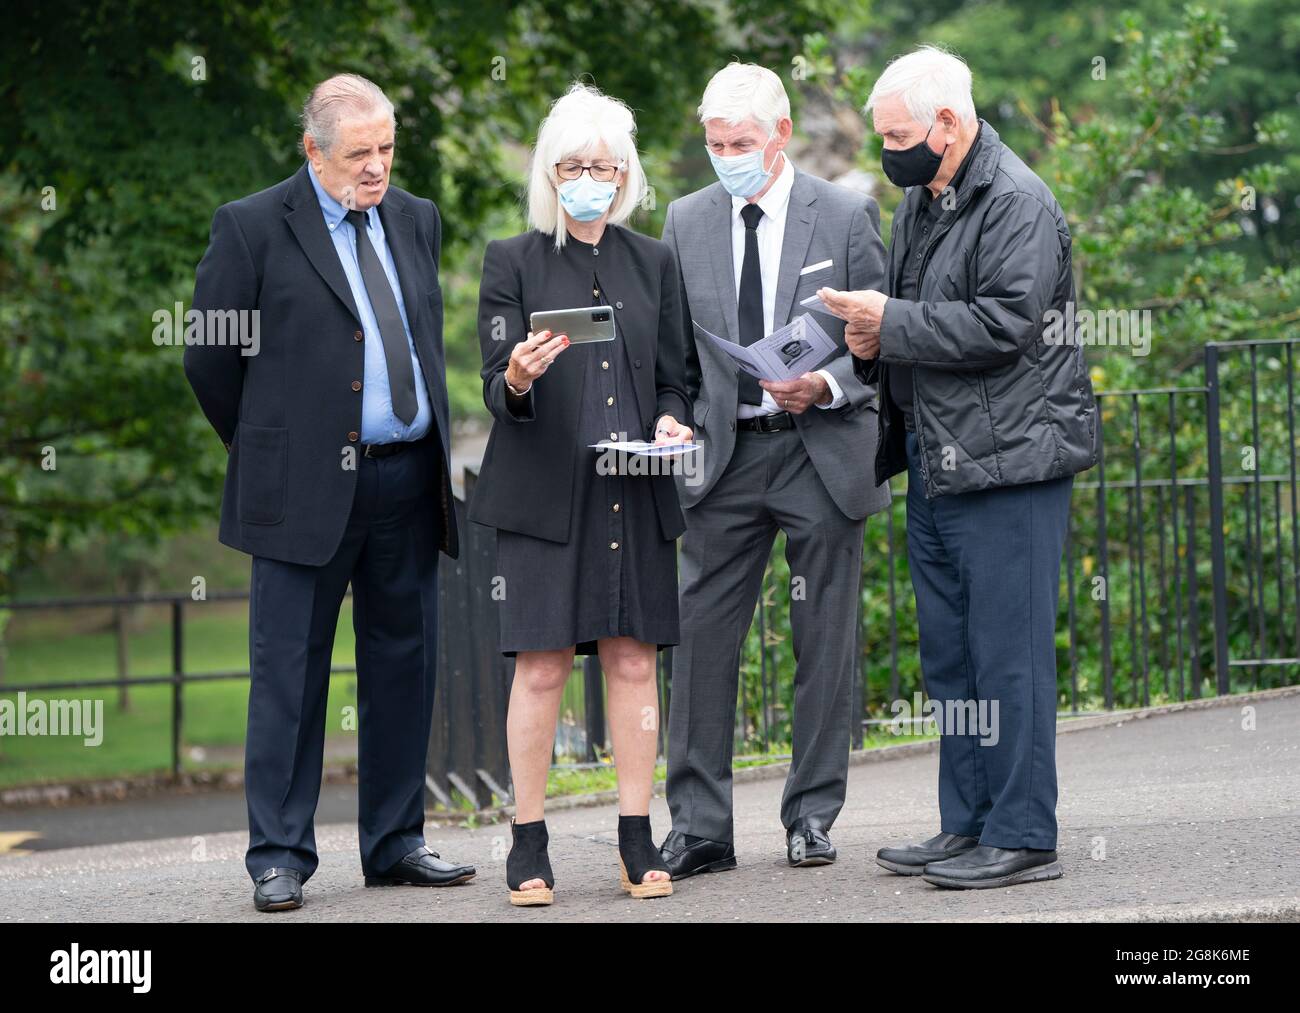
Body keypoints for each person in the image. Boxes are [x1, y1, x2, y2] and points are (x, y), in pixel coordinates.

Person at [184, 73, 475, 912]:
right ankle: (277, 855)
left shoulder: (415, 218)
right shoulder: (249, 227)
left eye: (387, 148)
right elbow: (208, 357)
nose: (377, 167)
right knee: (289, 677)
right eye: (359, 154)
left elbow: (416, 335)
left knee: (402, 667)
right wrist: (266, 448)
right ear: (313, 151)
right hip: (299, 491)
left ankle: (396, 842)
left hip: (407, 480)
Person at [822, 46, 1098, 889]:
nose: (887, 152)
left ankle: (1023, 833)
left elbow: (1005, 324)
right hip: (939, 463)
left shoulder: (1016, 199)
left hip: (1012, 465)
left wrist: (891, 320)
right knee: (953, 659)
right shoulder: (923, 198)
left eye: (898, 135)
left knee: (1008, 656)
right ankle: (969, 822)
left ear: (949, 123)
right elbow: (916, 325)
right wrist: (867, 339)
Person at [657, 63, 891, 878]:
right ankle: (699, 827)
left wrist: (823, 384)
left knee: (823, 636)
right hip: (722, 461)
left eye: (742, 143)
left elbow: (883, 350)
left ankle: (813, 815)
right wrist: (671, 409)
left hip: (818, 449)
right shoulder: (684, 221)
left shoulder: (848, 215)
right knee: (697, 639)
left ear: (782, 136)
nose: (727, 155)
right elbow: (673, 356)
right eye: (715, 143)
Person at [469, 83, 694, 906]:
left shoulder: (653, 261)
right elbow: (495, 386)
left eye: (605, 164)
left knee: (634, 660)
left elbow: (677, 380)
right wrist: (520, 377)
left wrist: (672, 423)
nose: (592, 176)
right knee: (541, 667)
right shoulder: (512, 260)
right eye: (575, 165)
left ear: (626, 173)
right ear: (551, 173)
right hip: (543, 498)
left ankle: (638, 838)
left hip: (631, 492)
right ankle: (528, 845)